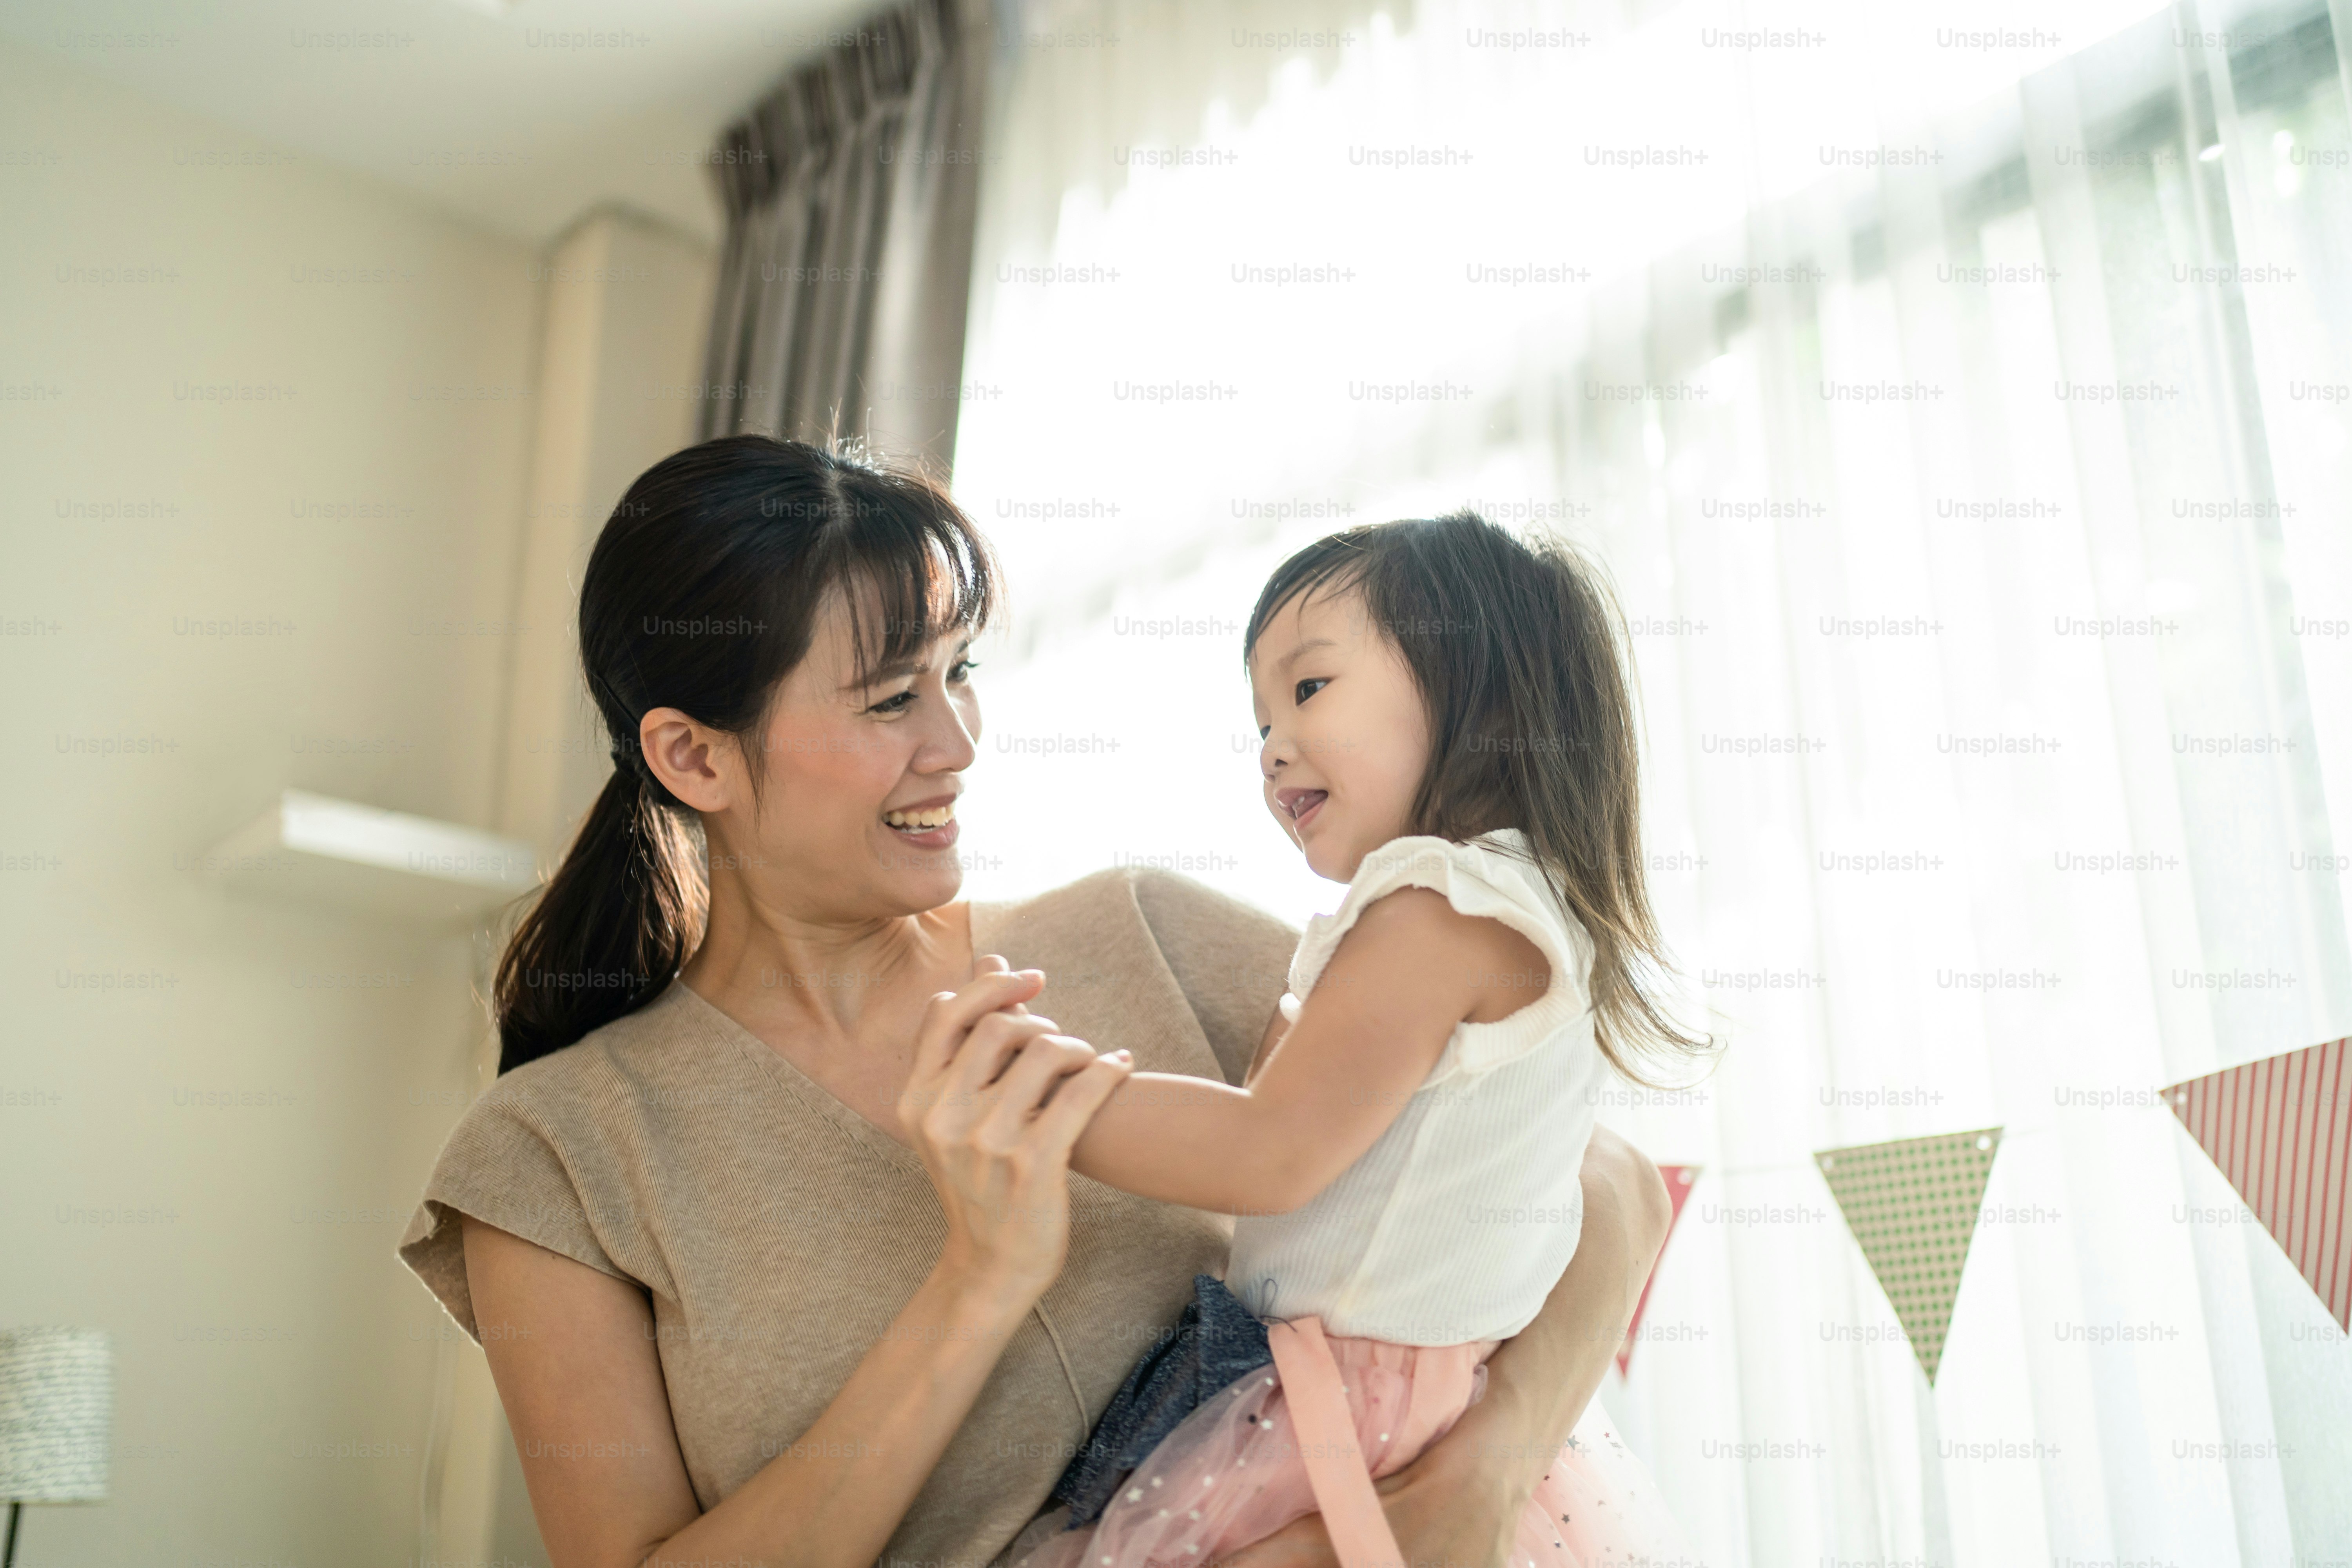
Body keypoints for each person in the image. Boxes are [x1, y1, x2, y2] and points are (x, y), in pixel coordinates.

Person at [396, 435, 1674, 1568]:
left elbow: (1584, 1163)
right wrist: (980, 1279)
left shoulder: (1141, 933)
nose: (957, 743)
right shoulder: (558, 1153)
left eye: (961, 674)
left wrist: (1482, 1477)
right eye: (895, 696)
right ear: (693, 755)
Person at [1007, 514, 1708, 1568]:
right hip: (1402, 1395)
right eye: (1258, 721)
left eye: (1308, 689)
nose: (1273, 744)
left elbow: (1265, 1153)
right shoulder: (1476, 908)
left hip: (1348, 1407)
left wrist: (1031, 1090)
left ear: (1482, 694)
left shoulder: (1439, 907)